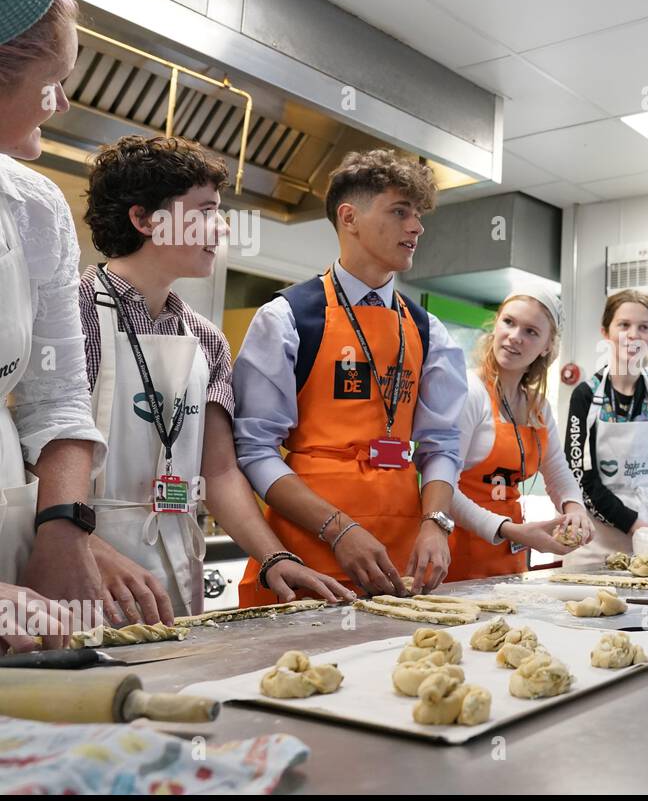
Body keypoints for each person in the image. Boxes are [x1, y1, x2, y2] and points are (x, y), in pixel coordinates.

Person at [78, 135, 353, 618]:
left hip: (176, 564)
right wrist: (78, 544)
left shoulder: (206, 339)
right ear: (145, 219)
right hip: (83, 562)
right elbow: (34, 455)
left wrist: (274, 557)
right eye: (205, 211)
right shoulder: (73, 312)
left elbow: (221, 471)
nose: (222, 228)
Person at [234, 149, 467, 604]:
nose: (416, 227)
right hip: (307, 554)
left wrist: (436, 524)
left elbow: (442, 444)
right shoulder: (286, 317)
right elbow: (255, 449)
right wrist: (339, 530)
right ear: (350, 218)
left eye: (418, 215)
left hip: (400, 564)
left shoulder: (428, 330)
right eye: (400, 212)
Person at [0, 0, 121, 630]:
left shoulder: (34, 208)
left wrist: (63, 527)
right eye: (54, 81)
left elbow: (57, 397)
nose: (66, 101)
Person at [447, 288, 593, 580]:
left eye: (531, 331)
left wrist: (574, 508)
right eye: (509, 322)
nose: (515, 336)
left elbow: (557, 473)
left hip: (508, 559)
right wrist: (509, 530)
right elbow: (442, 489)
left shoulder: (537, 406)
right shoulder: (468, 391)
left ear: (547, 347)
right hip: (454, 555)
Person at [564, 290, 648, 572]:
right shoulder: (586, 394)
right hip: (595, 539)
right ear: (606, 332)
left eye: (644, 327)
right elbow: (581, 477)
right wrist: (632, 525)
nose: (634, 334)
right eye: (624, 325)